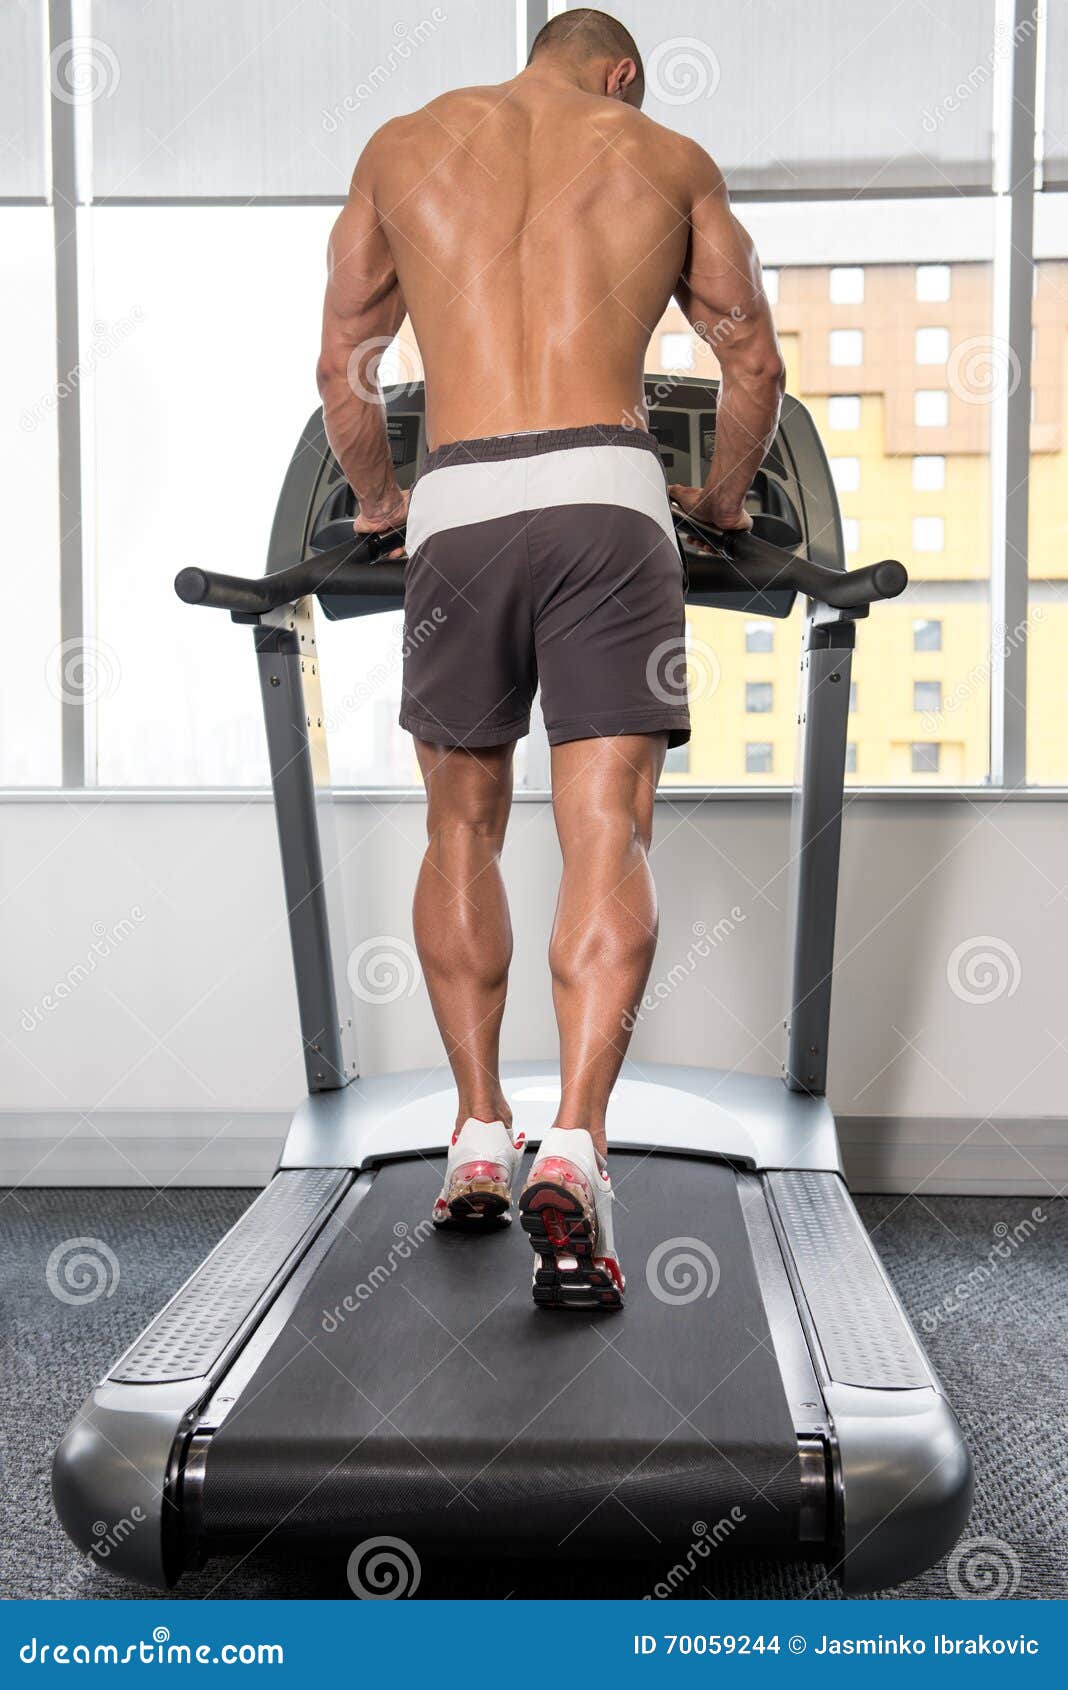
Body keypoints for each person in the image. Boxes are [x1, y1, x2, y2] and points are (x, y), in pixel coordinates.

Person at [316, 8, 784, 1309]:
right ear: (621, 76)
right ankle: (573, 1137)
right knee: (607, 835)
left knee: (458, 827)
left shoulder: (404, 146)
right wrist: (728, 502)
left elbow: (342, 367)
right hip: (610, 496)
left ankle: (477, 1129)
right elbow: (752, 362)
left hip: (458, 503)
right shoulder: (668, 156)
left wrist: (376, 503)